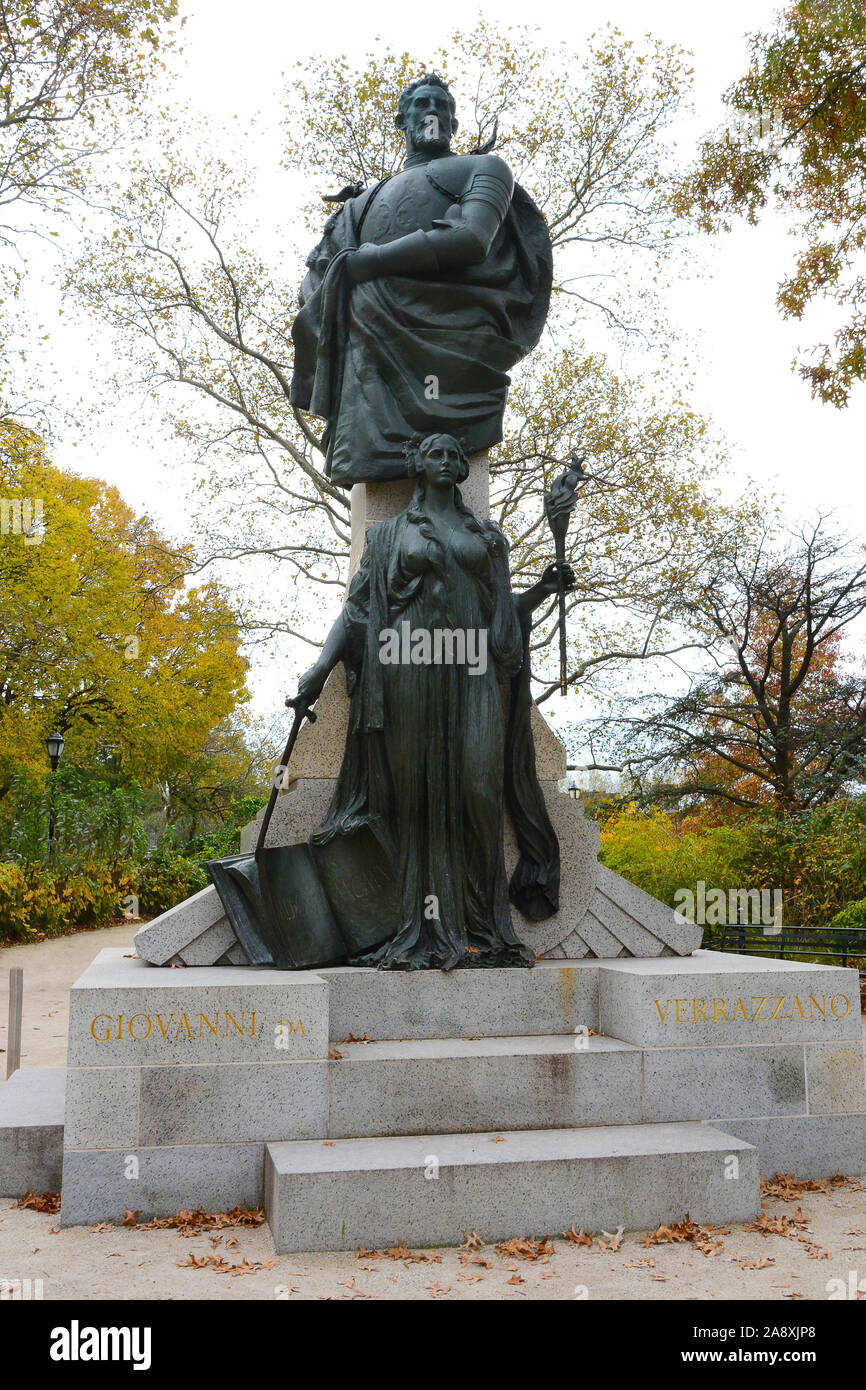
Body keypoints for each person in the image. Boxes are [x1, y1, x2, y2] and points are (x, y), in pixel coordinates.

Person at [288, 433, 574, 970]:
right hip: (405, 670)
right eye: (435, 452)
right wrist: (321, 666)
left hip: (474, 673)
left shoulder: (487, 536)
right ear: (417, 464)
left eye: (453, 454)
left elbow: (502, 609)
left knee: (478, 786)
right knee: (409, 797)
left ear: (464, 469)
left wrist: (542, 589)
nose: (446, 459)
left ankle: (481, 927)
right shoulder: (389, 535)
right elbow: (357, 609)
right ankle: (408, 923)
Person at [290, 73, 552, 486]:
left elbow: (471, 239)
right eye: (421, 104)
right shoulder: (359, 203)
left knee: (365, 294)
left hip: (455, 323)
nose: (431, 111)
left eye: (441, 106)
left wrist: (373, 262)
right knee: (357, 299)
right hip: (368, 334)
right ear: (401, 120)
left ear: (454, 123)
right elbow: (320, 277)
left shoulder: (485, 168)